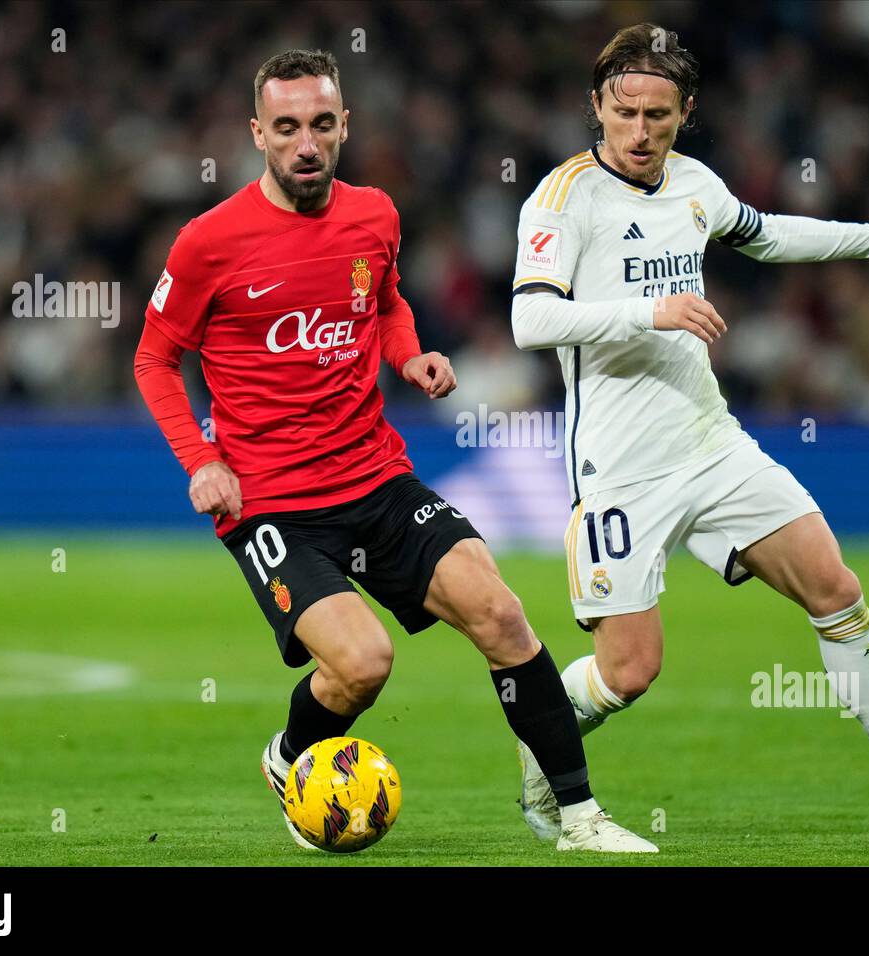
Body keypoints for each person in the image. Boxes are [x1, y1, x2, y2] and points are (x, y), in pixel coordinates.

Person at [134, 49, 654, 853]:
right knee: (364, 664)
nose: (305, 144)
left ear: (343, 125)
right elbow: (154, 358)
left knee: (502, 613)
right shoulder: (210, 242)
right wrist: (201, 463)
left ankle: (577, 817)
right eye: (286, 128)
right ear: (257, 134)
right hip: (271, 502)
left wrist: (408, 354)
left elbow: (381, 303)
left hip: (377, 477)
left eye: (319, 125)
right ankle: (291, 754)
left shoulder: (373, 214)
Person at [510, 23, 869, 841]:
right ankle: (543, 753)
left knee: (835, 587)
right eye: (624, 113)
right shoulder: (564, 200)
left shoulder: (695, 183)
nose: (639, 132)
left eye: (658, 115)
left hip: (710, 440)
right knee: (632, 671)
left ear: (684, 113)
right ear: (597, 106)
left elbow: (766, 233)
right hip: (621, 469)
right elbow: (529, 319)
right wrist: (650, 310)